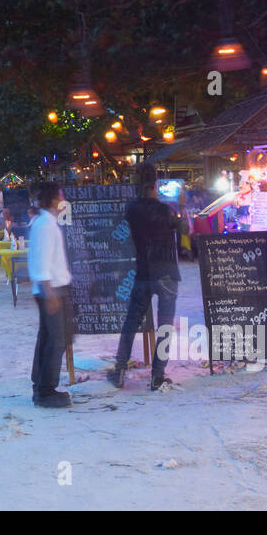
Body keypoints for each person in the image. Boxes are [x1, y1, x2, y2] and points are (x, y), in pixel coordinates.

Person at [109, 168, 180, 391]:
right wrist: (183, 208)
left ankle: (120, 369)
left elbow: (118, 233)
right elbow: (185, 232)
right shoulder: (167, 210)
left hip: (143, 272)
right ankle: (157, 376)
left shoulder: (131, 209)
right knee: (165, 326)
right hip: (167, 273)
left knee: (131, 322)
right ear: (154, 185)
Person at [28, 181, 73, 408]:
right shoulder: (45, 225)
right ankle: (46, 390)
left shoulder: (46, 223)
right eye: (61, 195)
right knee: (57, 339)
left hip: (52, 288)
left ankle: (40, 384)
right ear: (55, 199)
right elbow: (42, 261)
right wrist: (50, 292)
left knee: (49, 338)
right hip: (51, 289)